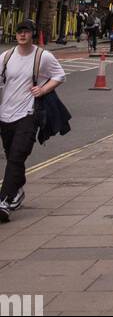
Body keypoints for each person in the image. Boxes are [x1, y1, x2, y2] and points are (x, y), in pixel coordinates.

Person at [0, 20, 67, 222]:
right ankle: (17, 190)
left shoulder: (42, 56)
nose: (22, 35)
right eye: (19, 31)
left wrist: (43, 89)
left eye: (26, 32)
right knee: (12, 155)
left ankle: (4, 201)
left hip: (29, 114)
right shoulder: (6, 56)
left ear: (33, 34)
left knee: (17, 156)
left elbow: (60, 75)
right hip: (6, 115)